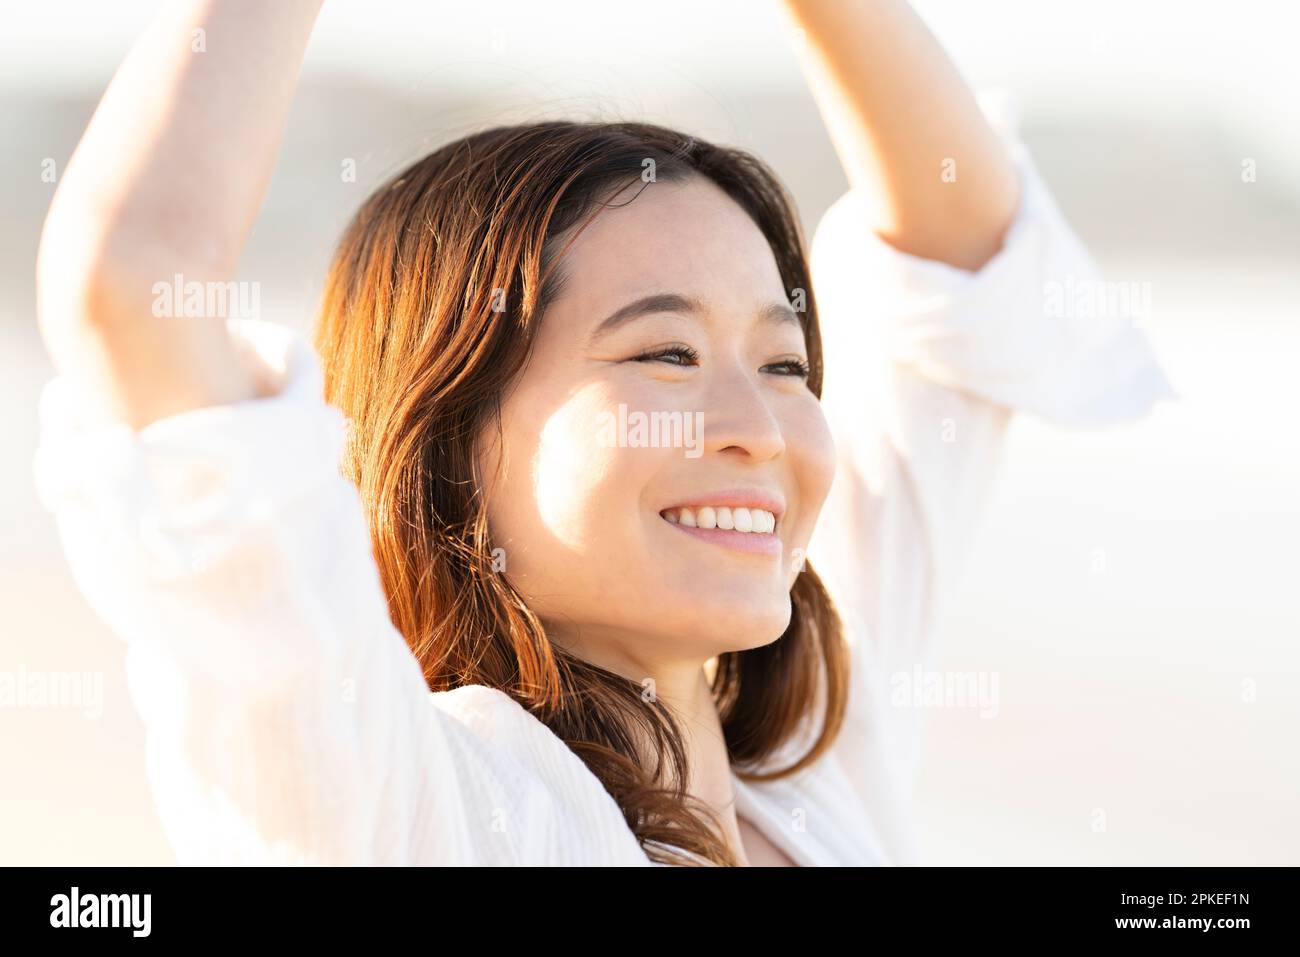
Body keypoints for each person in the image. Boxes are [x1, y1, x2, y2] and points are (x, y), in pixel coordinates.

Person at [32, 0, 1174, 866]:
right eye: (663, 354)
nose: (757, 432)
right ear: (450, 449)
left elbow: (963, 261)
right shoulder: (405, 804)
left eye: (784, 363)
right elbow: (136, 287)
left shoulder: (820, 785)